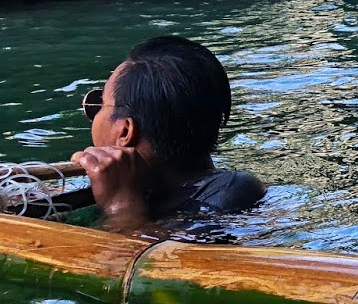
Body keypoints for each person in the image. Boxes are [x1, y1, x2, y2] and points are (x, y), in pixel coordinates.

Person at [69, 36, 264, 231]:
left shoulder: (229, 194)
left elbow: (169, 259)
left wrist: (121, 209)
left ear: (125, 131)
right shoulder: (145, 189)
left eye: (99, 104)